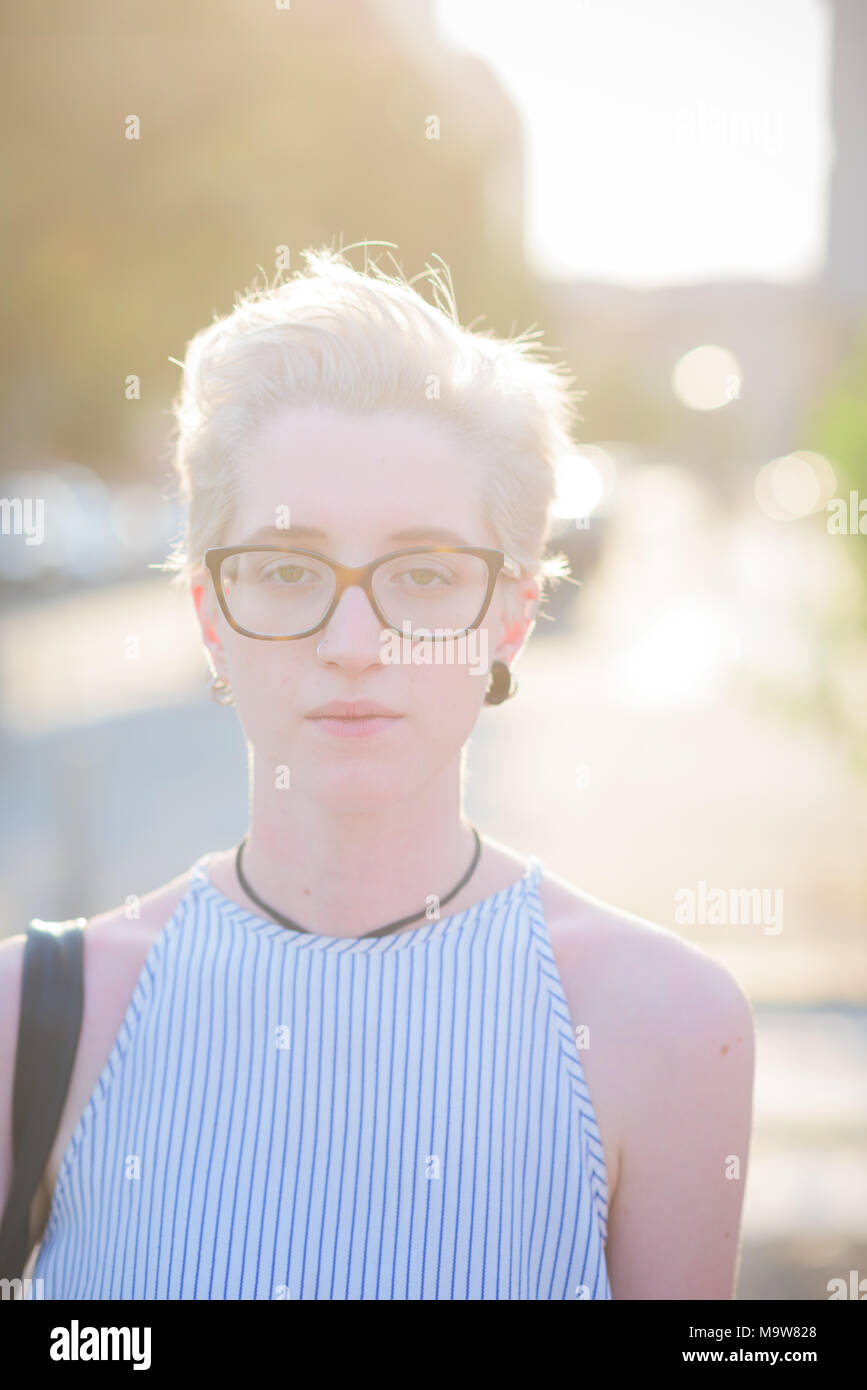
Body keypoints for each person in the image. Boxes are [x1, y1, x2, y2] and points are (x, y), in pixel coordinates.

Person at [0, 246, 754, 1300]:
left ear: (511, 617)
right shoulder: (37, 1019)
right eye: (288, 567)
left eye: (425, 573)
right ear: (211, 614)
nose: (355, 640)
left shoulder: (668, 1025)